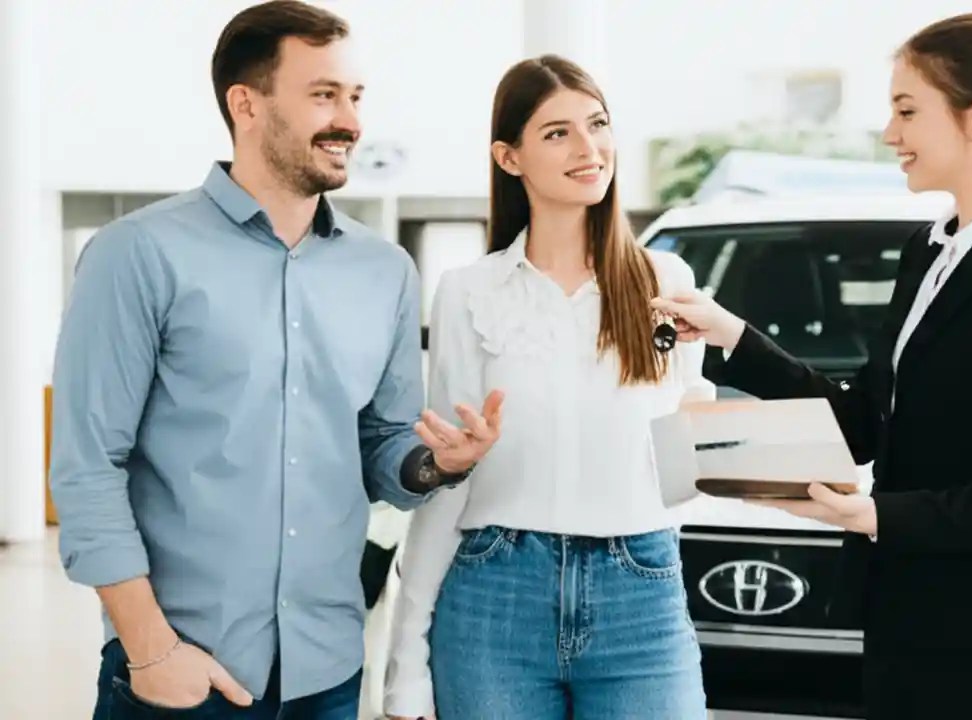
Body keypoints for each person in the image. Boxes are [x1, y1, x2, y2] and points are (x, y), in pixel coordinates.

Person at [652, 13, 972, 720]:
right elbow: (864, 422)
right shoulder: (928, 253)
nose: (890, 134)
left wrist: (882, 515)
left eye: (906, 111)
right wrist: (735, 337)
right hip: (903, 622)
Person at [49, 2, 500, 718]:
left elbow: (382, 446)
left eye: (355, 97)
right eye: (324, 95)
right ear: (246, 103)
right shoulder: (137, 255)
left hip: (326, 671)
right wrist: (151, 651)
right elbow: (85, 468)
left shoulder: (384, 273)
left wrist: (436, 464)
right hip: (179, 670)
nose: (349, 120)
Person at [383, 55, 713, 720]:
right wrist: (404, 668)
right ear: (510, 158)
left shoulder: (666, 281)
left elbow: (685, 465)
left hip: (640, 590)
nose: (589, 147)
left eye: (597, 124)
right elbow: (451, 483)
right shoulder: (468, 292)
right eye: (558, 133)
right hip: (494, 592)